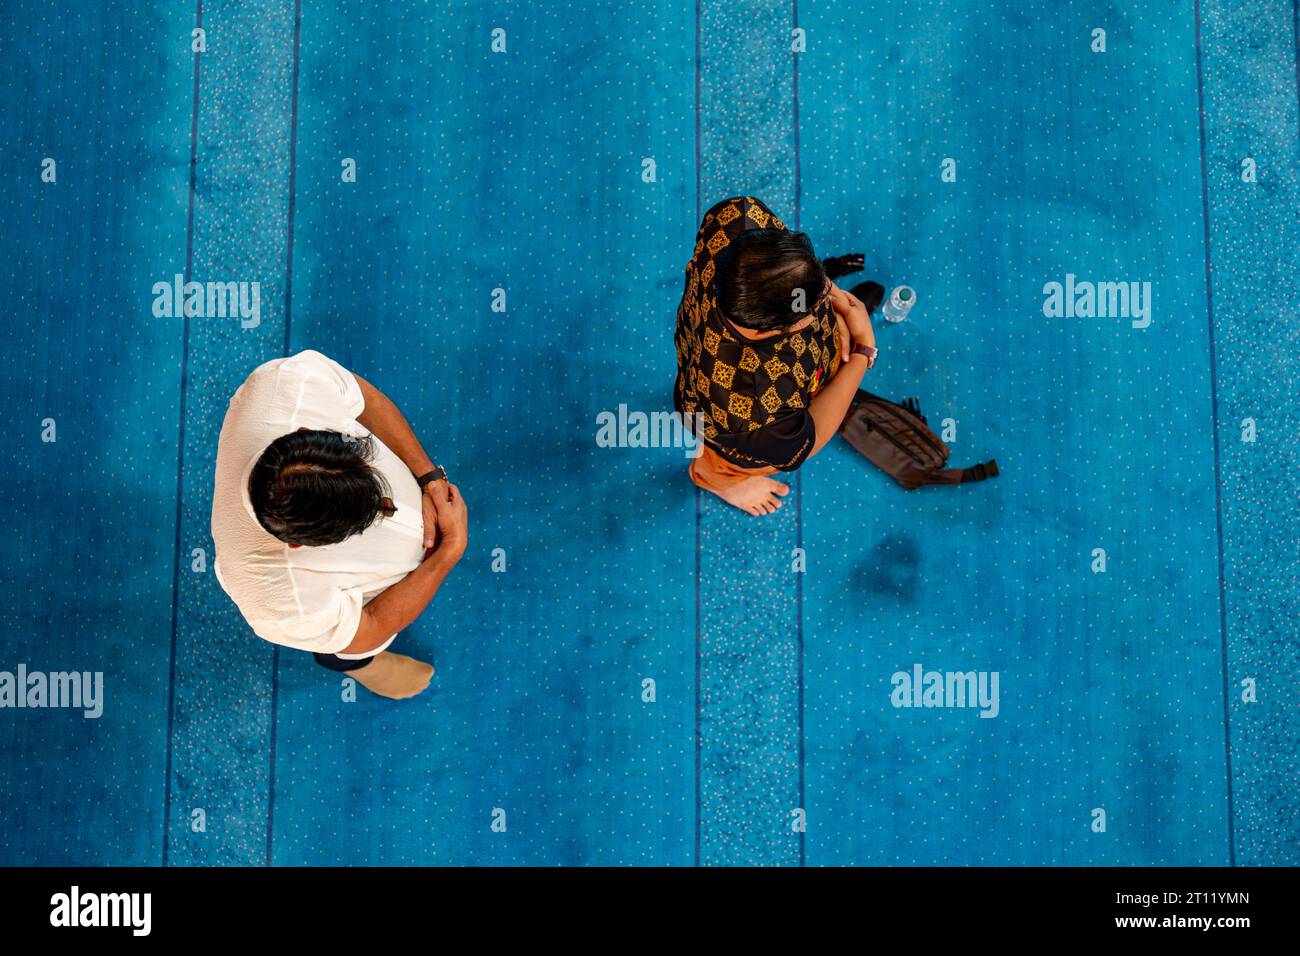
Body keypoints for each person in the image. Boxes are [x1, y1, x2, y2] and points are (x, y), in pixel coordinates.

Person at [211, 350, 466, 699]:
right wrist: (447, 554)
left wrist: (429, 478)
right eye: (361, 524)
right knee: (342, 653)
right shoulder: (277, 600)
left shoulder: (292, 383)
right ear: (297, 544)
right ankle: (362, 668)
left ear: (305, 432)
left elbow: (365, 399)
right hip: (357, 615)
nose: (388, 504)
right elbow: (369, 627)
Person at [673, 196, 882, 515]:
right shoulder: (749, 402)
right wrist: (862, 349)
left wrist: (827, 295)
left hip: (698, 332)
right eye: (812, 309)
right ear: (765, 331)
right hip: (726, 434)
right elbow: (806, 440)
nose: (822, 310)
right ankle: (719, 482)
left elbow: (787, 276)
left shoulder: (738, 215)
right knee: (721, 463)